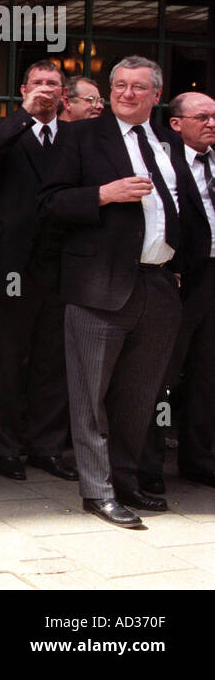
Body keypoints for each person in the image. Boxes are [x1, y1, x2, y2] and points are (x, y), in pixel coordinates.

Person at [39, 56, 209, 528]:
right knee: (91, 397)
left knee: (141, 393)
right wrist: (103, 194)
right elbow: (48, 202)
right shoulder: (79, 136)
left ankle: (127, 479)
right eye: (119, 86)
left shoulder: (170, 143)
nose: (127, 94)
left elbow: (190, 211)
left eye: (138, 87)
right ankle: (97, 491)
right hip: (98, 285)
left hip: (158, 285)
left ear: (157, 96)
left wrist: (184, 268)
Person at [0, 61, 79, 481]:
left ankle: (46, 448)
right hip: (11, 265)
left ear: (64, 94)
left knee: (53, 361)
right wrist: (23, 115)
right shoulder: (4, 129)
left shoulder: (74, 136)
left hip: (60, 263)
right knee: (6, 361)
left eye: (53, 84)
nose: (46, 89)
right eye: (38, 83)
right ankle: (5, 449)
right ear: (24, 89)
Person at [138, 92, 215, 492]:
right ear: (176, 123)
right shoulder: (163, 161)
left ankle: (200, 459)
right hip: (179, 277)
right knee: (161, 373)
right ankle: (147, 464)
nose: (212, 123)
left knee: (208, 373)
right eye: (202, 116)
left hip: (212, 279)